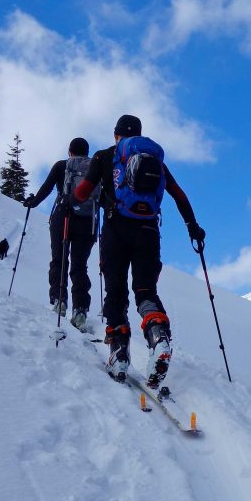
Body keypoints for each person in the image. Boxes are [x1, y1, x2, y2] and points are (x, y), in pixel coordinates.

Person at [70, 114, 205, 385]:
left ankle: (119, 353)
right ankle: (159, 338)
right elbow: (178, 194)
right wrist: (193, 226)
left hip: (115, 230)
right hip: (148, 232)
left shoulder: (105, 156)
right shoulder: (155, 161)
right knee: (145, 290)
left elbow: (83, 193)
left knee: (116, 292)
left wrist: (73, 200)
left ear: (116, 135)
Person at [24, 137, 100, 331]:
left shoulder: (62, 166)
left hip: (63, 217)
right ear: (87, 151)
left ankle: (59, 301)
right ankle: (80, 309)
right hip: (88, 221)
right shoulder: (95, 168)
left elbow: (47, 188)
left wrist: (33, 202)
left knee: (59, 259)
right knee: (79, 265)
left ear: (70, 152)